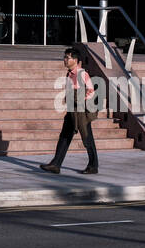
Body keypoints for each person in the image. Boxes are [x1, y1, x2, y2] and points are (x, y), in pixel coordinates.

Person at [40, 46, 100, 175]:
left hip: (81, 112)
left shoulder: (82, 73)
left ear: (75, 60)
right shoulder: (69, 73)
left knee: (87, 138)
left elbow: (91, 90)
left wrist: (81, 102)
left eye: (67, 57)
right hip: (72, 111)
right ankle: (56, 164)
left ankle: (93, 166)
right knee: (65, 136)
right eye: (65, 57)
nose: (65, 60)